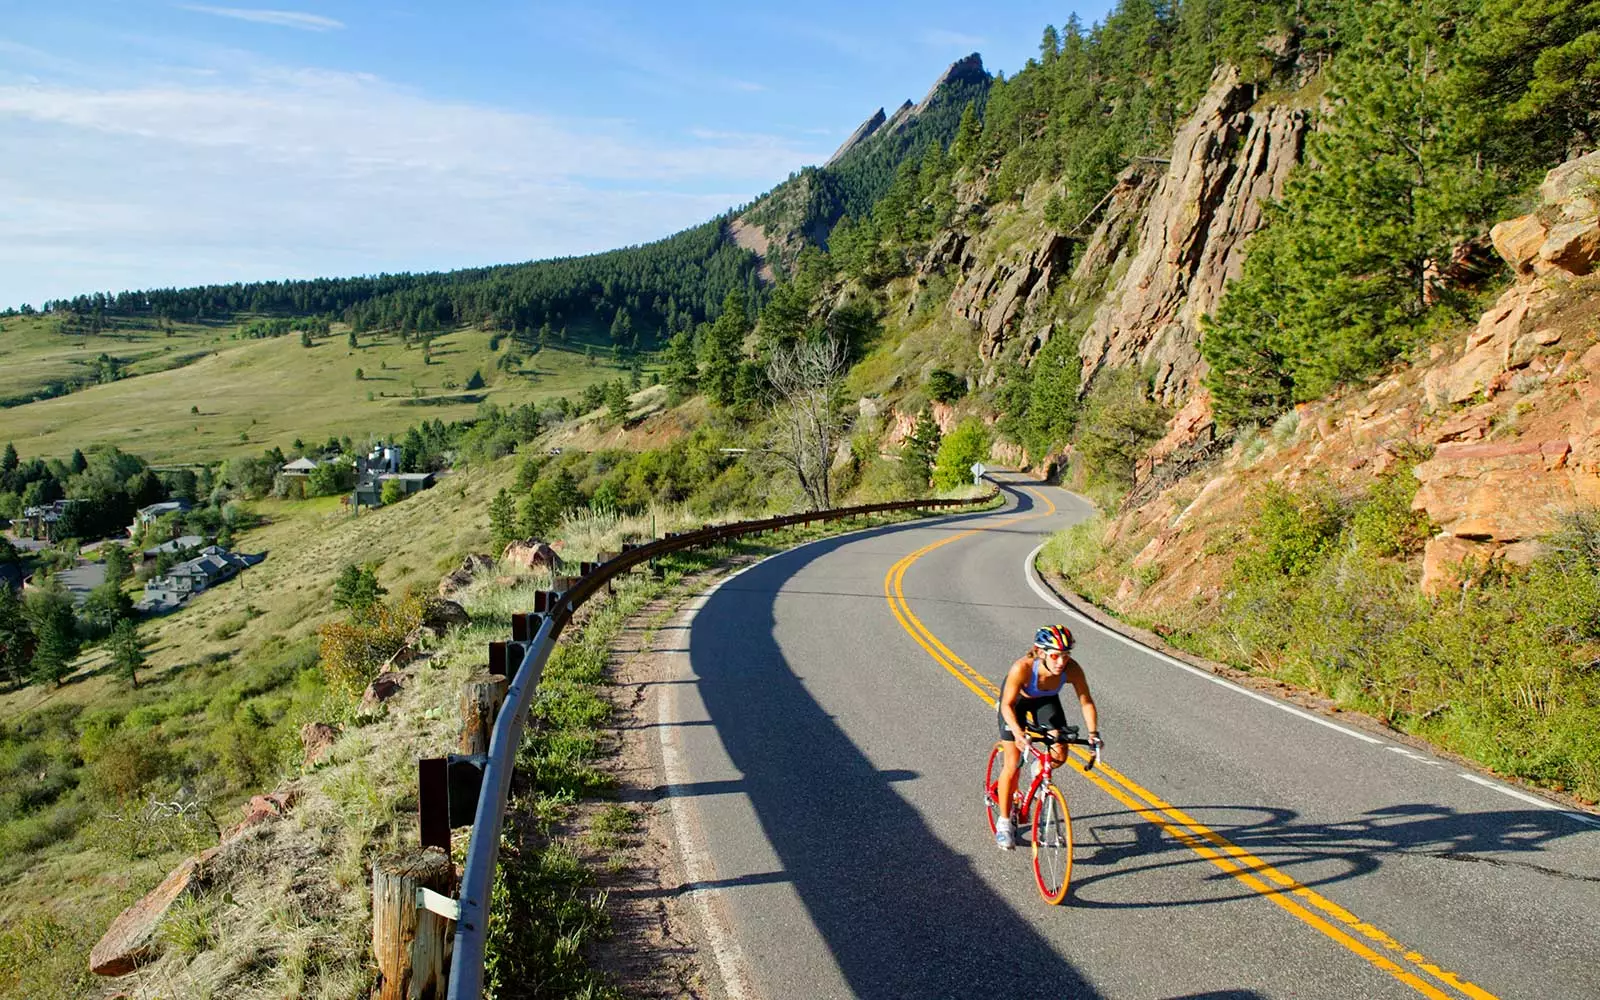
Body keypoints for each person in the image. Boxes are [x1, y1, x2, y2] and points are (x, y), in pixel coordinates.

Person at [994, 624, 1101, 850]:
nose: (1061, 662)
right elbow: (1006, 705)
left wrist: (1093, 734)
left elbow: (1086, 701)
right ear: (1041, 652)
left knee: (1060, 752)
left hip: (1045, 700)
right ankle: (1004, 822)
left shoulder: (1072, 669)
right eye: (1055, 655)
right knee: (1012, 765)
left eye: (1066, 655)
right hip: (1016, 703)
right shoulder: (1022, 668)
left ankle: (1037, 768)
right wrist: (1017, 732)